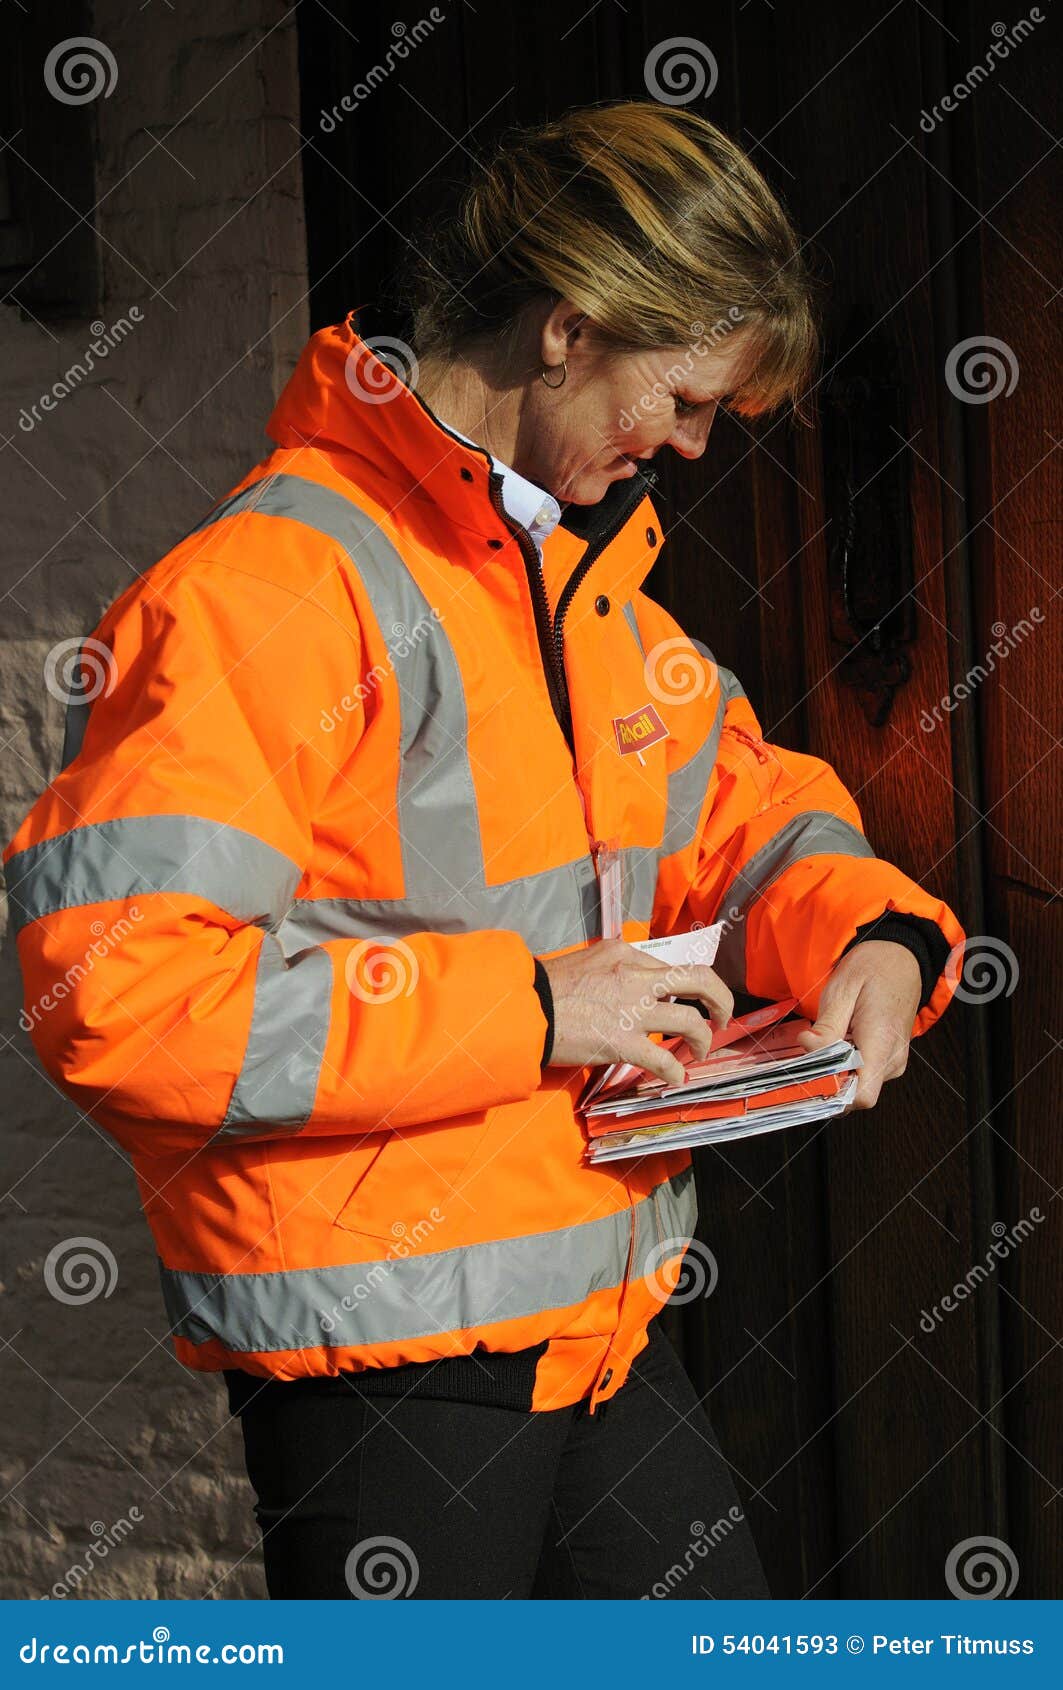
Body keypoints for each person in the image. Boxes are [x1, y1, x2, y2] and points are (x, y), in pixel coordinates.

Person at [4, 101, 964, 1600]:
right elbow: (115, 997)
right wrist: (531, 1006)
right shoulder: (271, 592)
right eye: (691, 396)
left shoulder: (571, 586)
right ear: (571, 328)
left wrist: (877, 937)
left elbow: (745, 809)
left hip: (592, 1323)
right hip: (386, 1367)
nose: (698, 447)